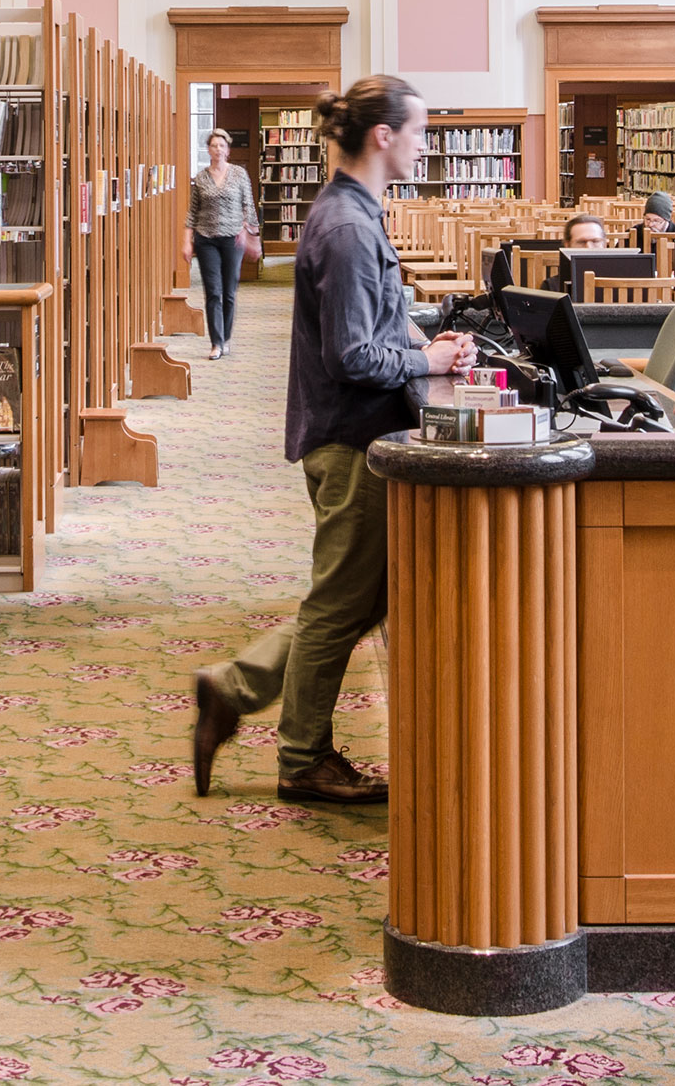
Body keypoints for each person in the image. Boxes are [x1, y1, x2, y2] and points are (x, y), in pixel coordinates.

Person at [192, 75, 470, 806]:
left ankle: (236, 689)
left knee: (356, 598)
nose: (425, 143)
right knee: (340, 607)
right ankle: (300, 755)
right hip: (353, 439)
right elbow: (354, 355)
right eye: (419, 131)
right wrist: (428, 360)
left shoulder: (354, 212)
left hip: (354, 434)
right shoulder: (348, 227)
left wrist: (420, 338)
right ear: (384, 135)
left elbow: (374, 324)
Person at [187, 129, 258, 360]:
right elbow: (192, 213)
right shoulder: (200, 178)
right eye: (214, 145)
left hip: (232, 239)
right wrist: (186, 242)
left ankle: (226, 338)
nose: (218, 149)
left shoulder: (239, 174)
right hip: (206, 239)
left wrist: (252, 235)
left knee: (229, 292)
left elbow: (249, 206)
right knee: (213, 292)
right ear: (208, 150)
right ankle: (216, 343)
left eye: (221, 146)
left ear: (227, 150)